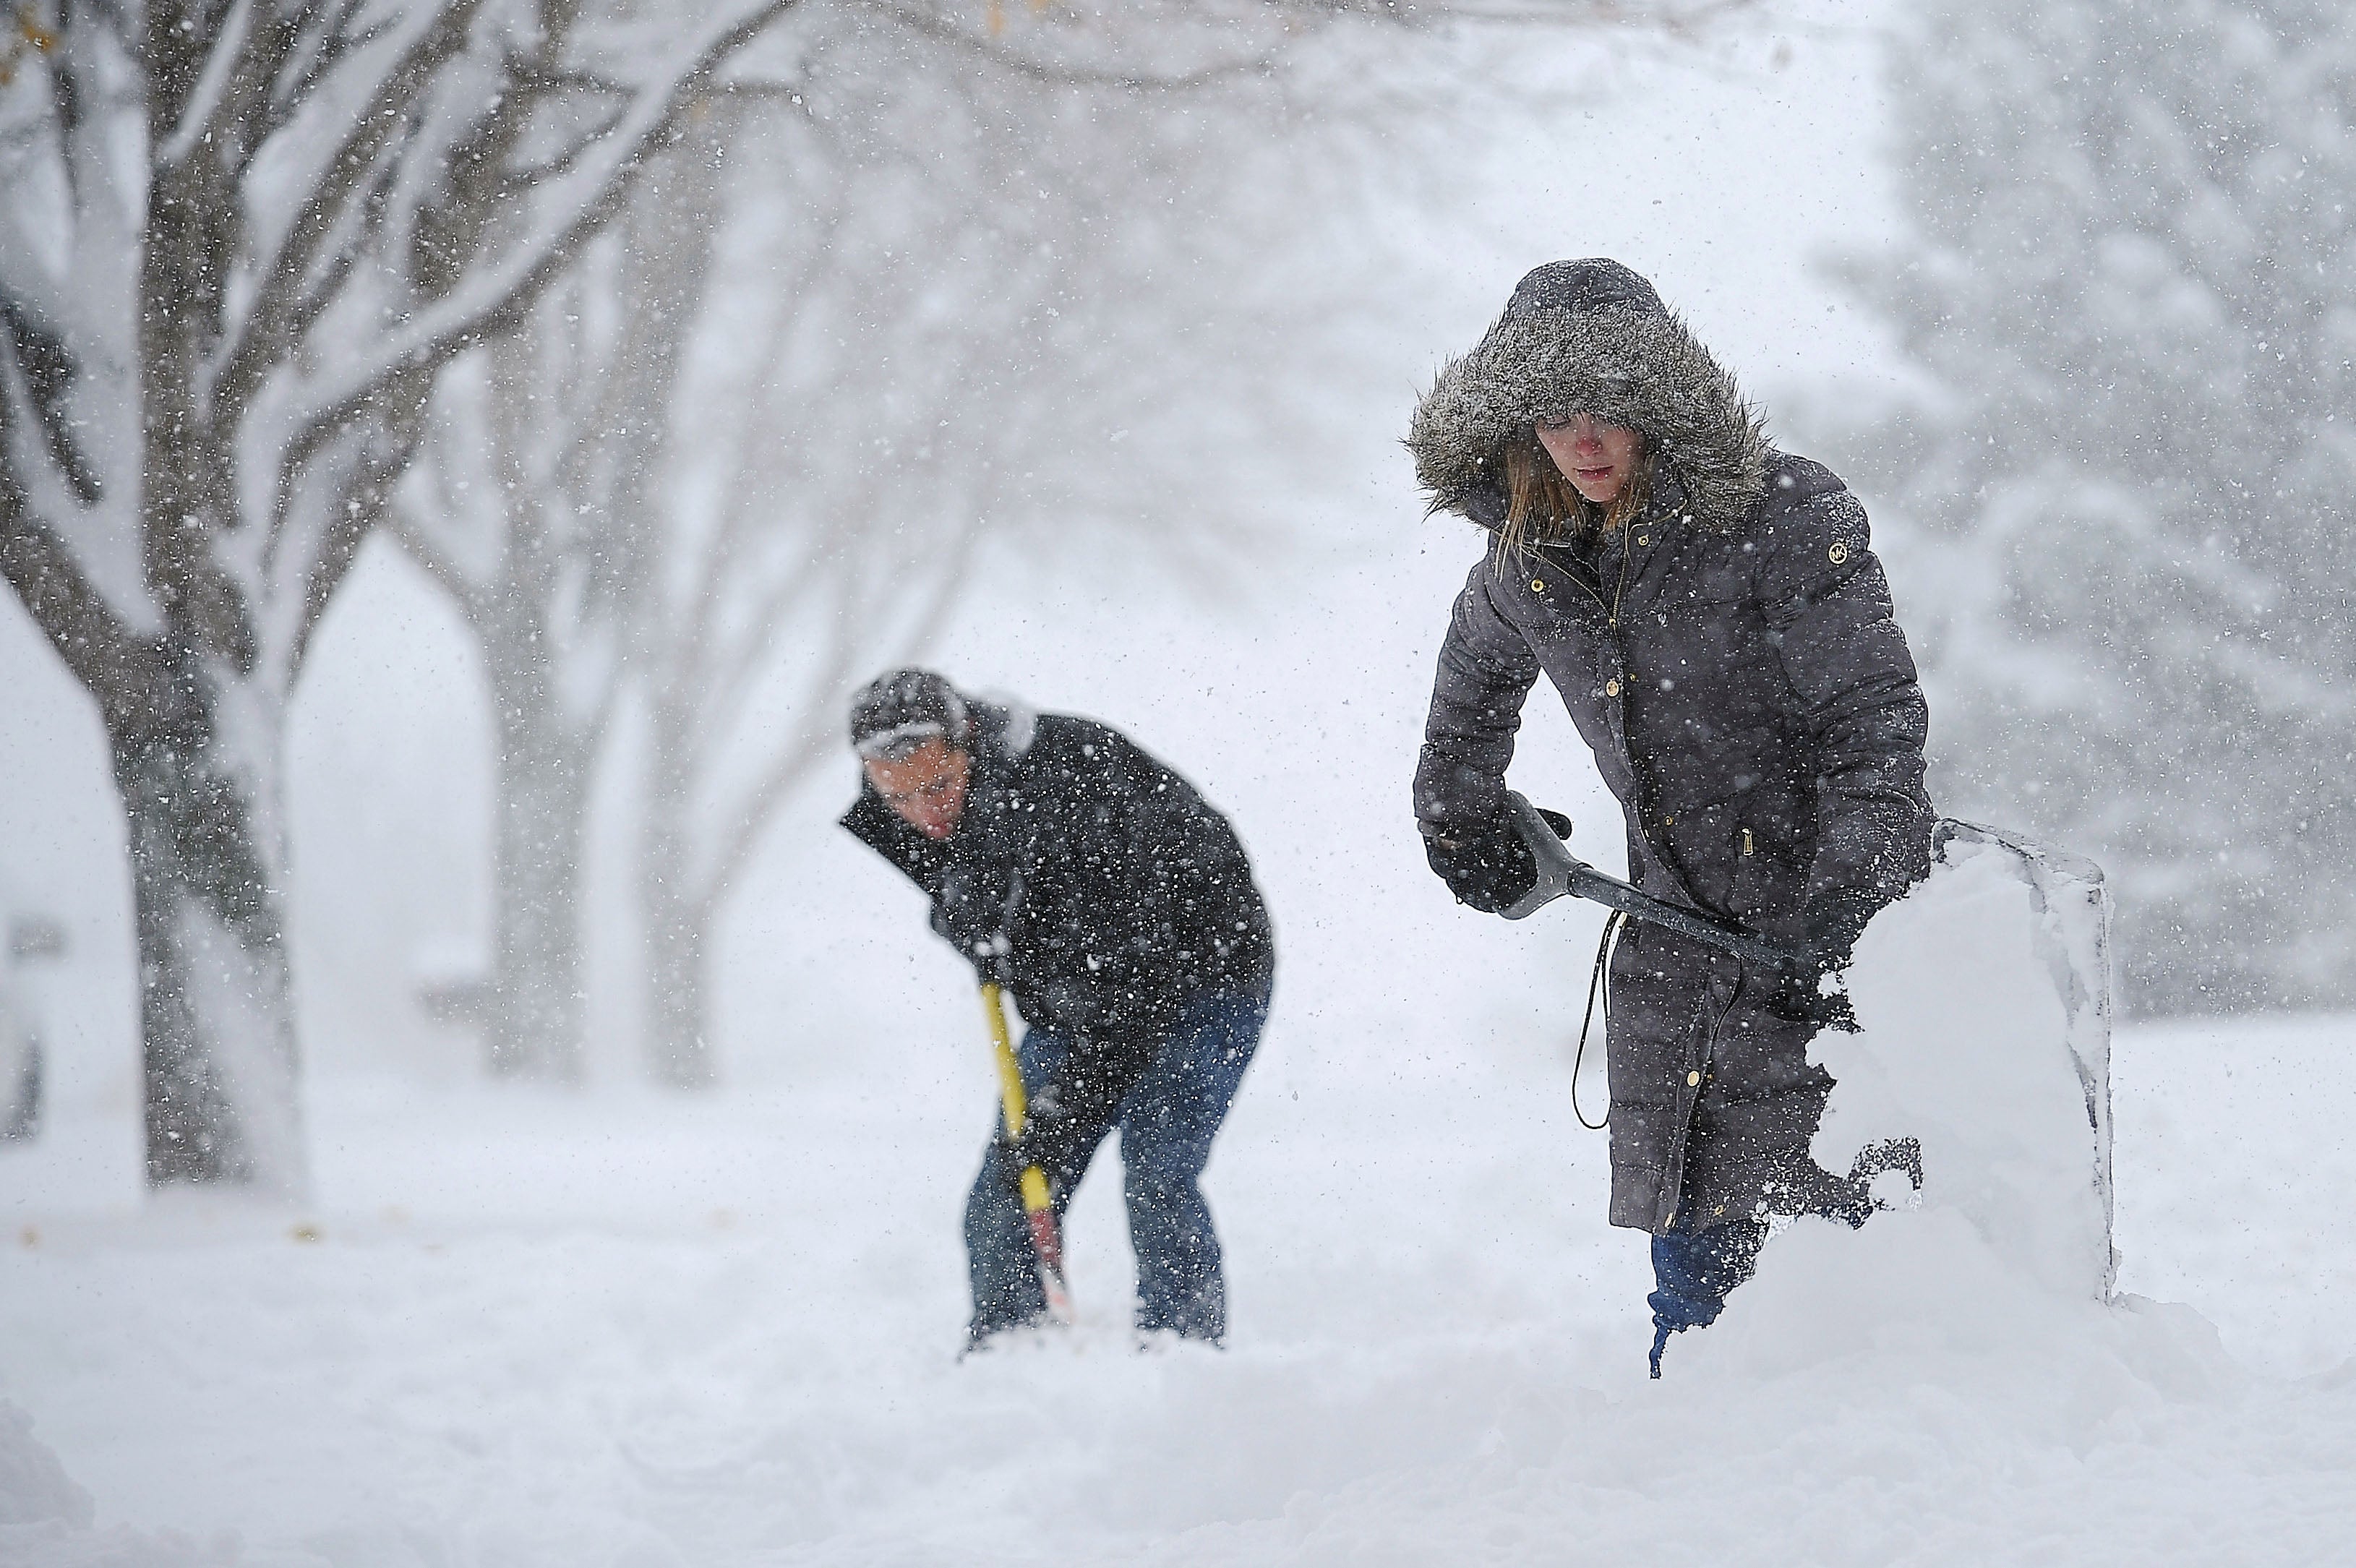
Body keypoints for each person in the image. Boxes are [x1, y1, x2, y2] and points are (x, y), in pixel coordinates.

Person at [1404, 260, 1935, 1376]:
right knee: (1694, 1307)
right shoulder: (1523, 564)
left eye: (1609, 404)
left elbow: (1870, 725)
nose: (1582, 437)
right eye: (1553, 412)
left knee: (1857, 1294)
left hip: (1828, 970)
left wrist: (1852, 900)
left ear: (1661, 401)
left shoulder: (1782, 516)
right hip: (1673, 971)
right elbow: (1467, 695)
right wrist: (1457, 822)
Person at [840, 669, 1275, 1349]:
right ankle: (1010, 1356)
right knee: (1010, 1185)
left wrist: (1067, 1098)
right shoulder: (917, 805)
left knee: (1158, 1170)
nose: (924, 812)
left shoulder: (1071, 782)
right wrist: (968, 918)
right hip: (1076, 998)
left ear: (967, 740)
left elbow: (1136, 974)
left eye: (938, 786)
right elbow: (1012, 927)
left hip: (1202, 979)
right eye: (899, 796)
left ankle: (1182, 1354)